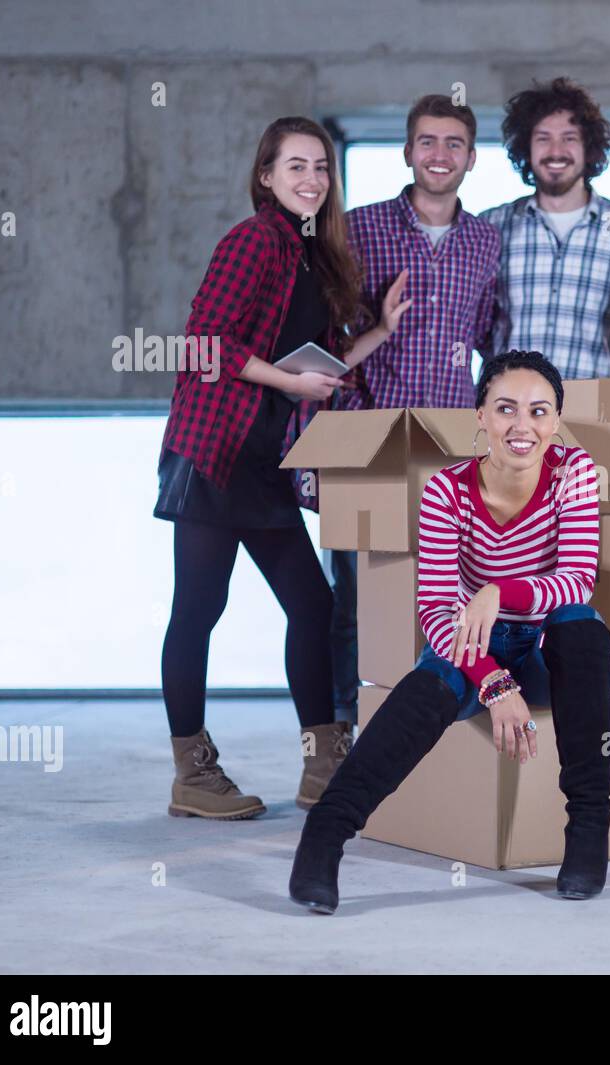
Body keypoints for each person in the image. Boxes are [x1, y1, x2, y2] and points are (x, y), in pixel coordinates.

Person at [289, 351, 610, 913]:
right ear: (480, 417)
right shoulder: (447, 490)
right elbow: (439, 614)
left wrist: (499, 592)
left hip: (540, 651)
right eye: (505, 409)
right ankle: (324, 838)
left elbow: (577, 580)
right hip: (468, 647)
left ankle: (588, 833)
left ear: (556, 422)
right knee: (427, 687)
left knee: (582, 627)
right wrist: (492, 682)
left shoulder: (573, 472)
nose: (522, 425)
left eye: (539, 412)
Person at [155, 116, 411, 819]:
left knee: (313, 603)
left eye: (321, 167)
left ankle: (321, 765)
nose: (311, 179)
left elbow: (316, 369)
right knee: (200, 609)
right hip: (212, 453)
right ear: (266, 177)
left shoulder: (313, 255)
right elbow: (206, 341)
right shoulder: (253, 240)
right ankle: (193, 774)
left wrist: (380, 333)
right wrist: (287, 384)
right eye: (295, 166)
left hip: (262, 461)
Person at [328, 94, 502, 725]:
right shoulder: (358, 228)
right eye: (428, 142)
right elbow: (327, 339)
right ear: (407, 151)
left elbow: (489, 339)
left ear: (472, 158)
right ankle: (344, 728)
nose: (440, 155)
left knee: (445, 595)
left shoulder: (486, 241)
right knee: (355, 597)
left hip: (451, 450)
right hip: (370, 443)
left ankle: (426, 723)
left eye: (454, 144)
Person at [479, 76, 610, 380]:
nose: (556, 151)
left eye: (569, 138)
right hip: (506, 411)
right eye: (543, 138)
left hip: (591, 409)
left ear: (588, 147)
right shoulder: (491, 225)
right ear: (525, 147)